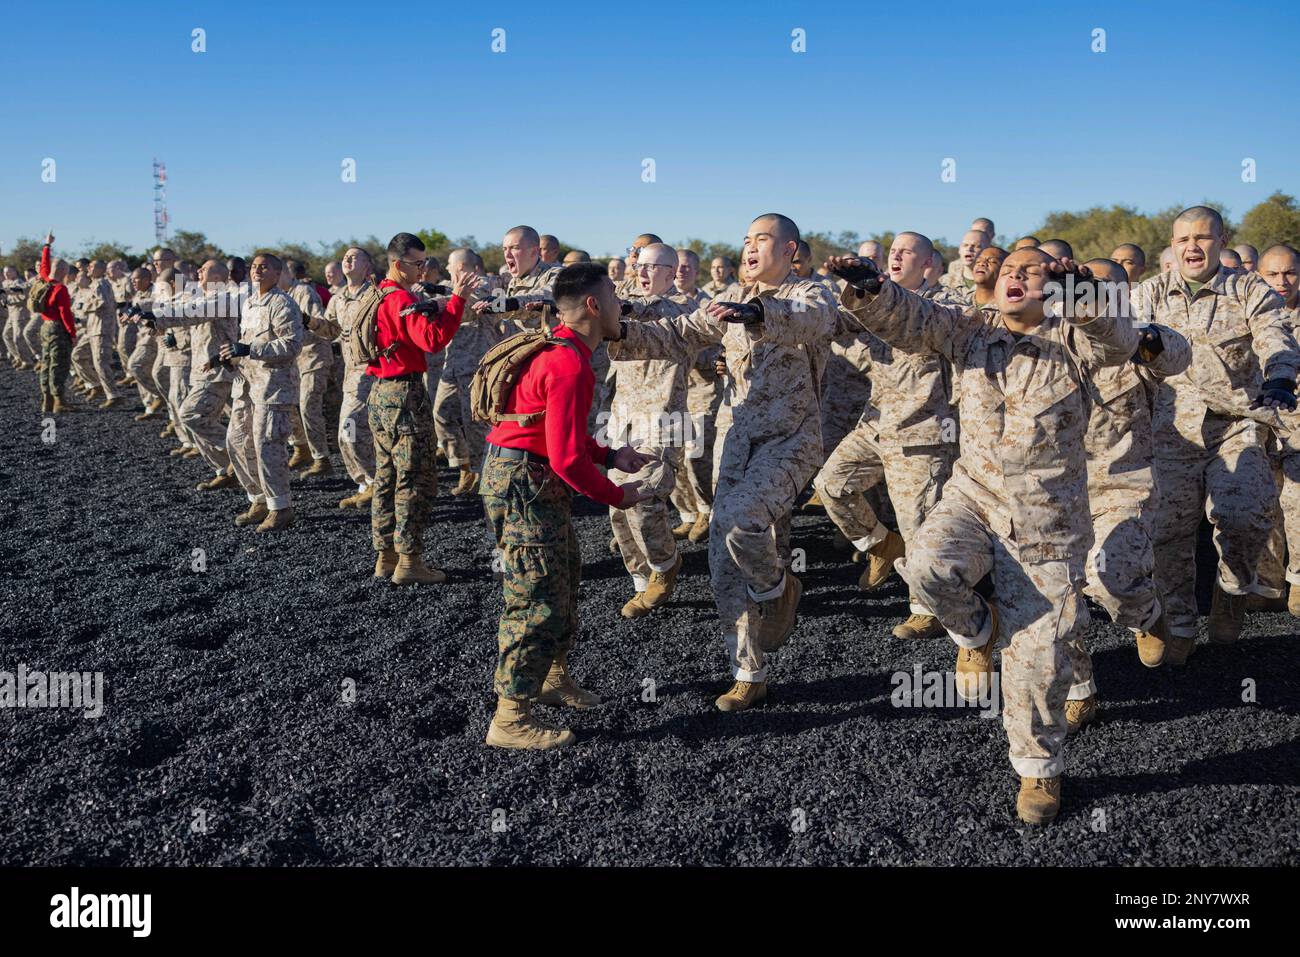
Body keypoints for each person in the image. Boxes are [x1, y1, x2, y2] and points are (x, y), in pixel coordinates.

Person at [825, 247, 1139, 826]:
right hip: (975, 497)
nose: (1016, 276)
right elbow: (913, 318)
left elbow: (1118, 340)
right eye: (1011, 270)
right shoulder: (971, 328)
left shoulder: (1078, 338)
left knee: (1038, 654)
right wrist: (870, 287)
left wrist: (1087, 299)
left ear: (1057, 288)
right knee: (924, 568)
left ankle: (1038, 769)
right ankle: (977, 629)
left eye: (1033, 270)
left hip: (1047, 517)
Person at [609, 214, 837, 712]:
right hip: (736, 443)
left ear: (789, 248)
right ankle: (748, 671)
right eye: (747, 240)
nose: (750, 247)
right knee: (722, 560)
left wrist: (752, 313)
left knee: (737, 522)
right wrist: (612, 329)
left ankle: (779, 587)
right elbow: (675, 334)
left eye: (762, 239)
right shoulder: (728, 298)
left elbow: (809, 323)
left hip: (791, 441)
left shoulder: (811, 296)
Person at [481, 262, 653, 749]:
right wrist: (616, 495)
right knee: (534, 593)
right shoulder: (569, 362)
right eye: (616, 297)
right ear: (594, 307)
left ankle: (552, 678)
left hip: (528, 474)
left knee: (563, 576)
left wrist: (610, 455)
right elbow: (566, 457)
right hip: (525, 481)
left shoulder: (563, 350)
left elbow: (559, 434)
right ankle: (510, 717)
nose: (624, 307)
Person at [1131, 206, 1299, 653]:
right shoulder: (1147, 295)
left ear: (1221, 242)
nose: (1192, 247)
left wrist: (1280, 375)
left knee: (1244, 514)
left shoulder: (1247, 290)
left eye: (1202, 238)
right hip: (1169, 429)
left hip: (1236, 424)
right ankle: (1179, 625)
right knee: (1168, 532)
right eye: (1183, 239)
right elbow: (1119, 343)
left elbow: (1275, 333)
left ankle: (1232, 587)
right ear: (1172, 244)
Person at [813, 232, 956, 642]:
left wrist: (878, 290)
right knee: (832, 484)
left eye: (906, 252)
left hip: (923, 430)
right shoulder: (872, 299)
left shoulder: (949, 303)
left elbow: (920, 322)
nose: (895, 257)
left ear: (928, 263)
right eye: (892, 251)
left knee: (919, 526)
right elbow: (830, 320)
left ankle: (925, 609)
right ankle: (879, 544)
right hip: (876, 424)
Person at [1077, 259, 1191, 675]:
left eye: (1106, 286)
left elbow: (1175, 355)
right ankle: (1077, 689)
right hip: (1052, 487)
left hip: (1119, 484)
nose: (1094, 291)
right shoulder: (1052, 339)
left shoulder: (1137, 338)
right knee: (1049, 597)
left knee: (1109, 576)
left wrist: (1139, 338)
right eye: (1087, 284)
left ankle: (1144, 612)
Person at [368, 233, 475, 584]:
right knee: (415, 479)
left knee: (386, 476)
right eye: (418, 263)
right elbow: (432, 340)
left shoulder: (377, 294)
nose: (424, 269)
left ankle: (385, 555)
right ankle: (410, 562)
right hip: (405, 394)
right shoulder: (399, 298)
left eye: (427, 262)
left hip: (380, 393)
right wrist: (458, 301)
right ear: (398, 265)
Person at [606, 243, 694, 618]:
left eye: (652, 267)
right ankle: (641, 579)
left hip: (663, 421)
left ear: (672, 271)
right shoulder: (623, 300)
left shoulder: (684, 310)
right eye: (639, 266)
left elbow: (656, 315)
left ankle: (664, 564)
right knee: (615, 503)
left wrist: (625, 309)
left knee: (642, 500)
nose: (642, 273)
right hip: (622, 419)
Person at [220, 254, 305, 532]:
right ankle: (258, 499)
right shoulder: (250, 303)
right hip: (246, 385)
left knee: (267, 446)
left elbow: (291, 345)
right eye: (255, 266)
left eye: (264, 266)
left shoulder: (283, 304)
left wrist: (250, 350)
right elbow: (246, 343)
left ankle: (280, 508)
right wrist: (232, 355)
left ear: (278, 272)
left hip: (273, 386)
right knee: (237, 441)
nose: (257, 270)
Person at [151, 260, 241, 490]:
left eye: (205, 269)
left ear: (220, 276)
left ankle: (240, 455)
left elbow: (190, 315)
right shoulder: (202, 296)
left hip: (219, 371)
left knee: (191, 415)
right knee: (199, 420)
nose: (198, 271)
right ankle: (225, 469)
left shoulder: (224, 297)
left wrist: (154, 315)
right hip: (202, 369)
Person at [316, 247, 379, 508]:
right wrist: (308, 321)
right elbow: (330, 330)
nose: (347, 259)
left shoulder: (376, 295)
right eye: (345, 257)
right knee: (352, 432)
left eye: (354, 257)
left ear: (368, 266)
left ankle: (374, 482)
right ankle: (368, 484)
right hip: (350, 377)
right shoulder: (338, 298)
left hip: (372, 374)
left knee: (350, 429)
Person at [284, 261, 332, 477]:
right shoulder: (276, 296)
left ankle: (321, 459)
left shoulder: (303, 292)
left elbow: (320, 323)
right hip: (292, 362)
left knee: (308, 407)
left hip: (314, 357)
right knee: (289, 406)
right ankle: (301, 448)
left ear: (284, 273)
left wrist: (307, 321)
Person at [35, 232, 77, 414]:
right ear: (64, 272)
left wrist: (47, 245)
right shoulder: (61, 289)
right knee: (59, 364)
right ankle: (59, 401)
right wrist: (72, 333)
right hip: (58, 329)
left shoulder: (43, 280)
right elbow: (65, 313)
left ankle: (46, 400)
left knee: (46, 362)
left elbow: (44, 264)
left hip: (45, 326)